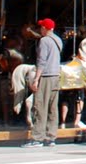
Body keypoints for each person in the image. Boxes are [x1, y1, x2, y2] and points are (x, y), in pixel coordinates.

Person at [26, 18, 62, 148]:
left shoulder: (44, 41)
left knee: (40, 106)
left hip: (46, 76)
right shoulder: (58, 40)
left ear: (45, 28)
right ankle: (51, 136)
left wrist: (36, 79)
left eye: (41, 27)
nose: (40, 29)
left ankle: (37, 137)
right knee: (53, 108)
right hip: (56, 76)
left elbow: (41, 61)